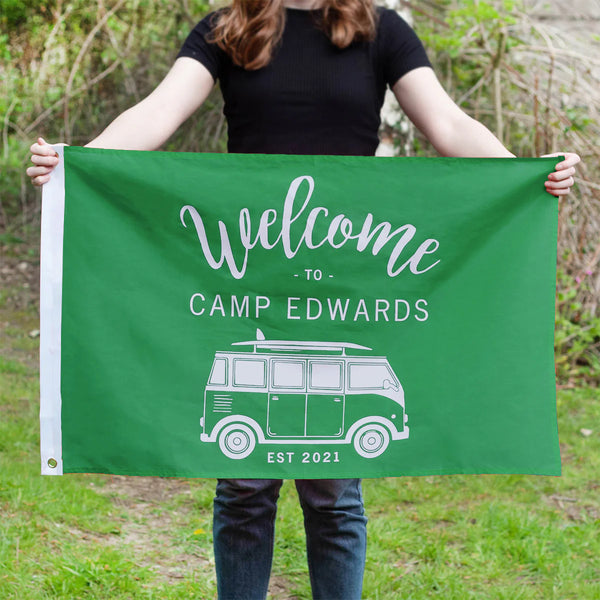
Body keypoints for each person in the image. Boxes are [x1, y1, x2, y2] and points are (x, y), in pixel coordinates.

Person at [27, 1, 580, 598]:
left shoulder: (380, 30)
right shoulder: (229, 26)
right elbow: (159, 111)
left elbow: (447, 124)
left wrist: (524, 177)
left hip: (345, 278)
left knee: (334, 490)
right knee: (244, 487)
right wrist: (77, 163)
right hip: (250, 274)